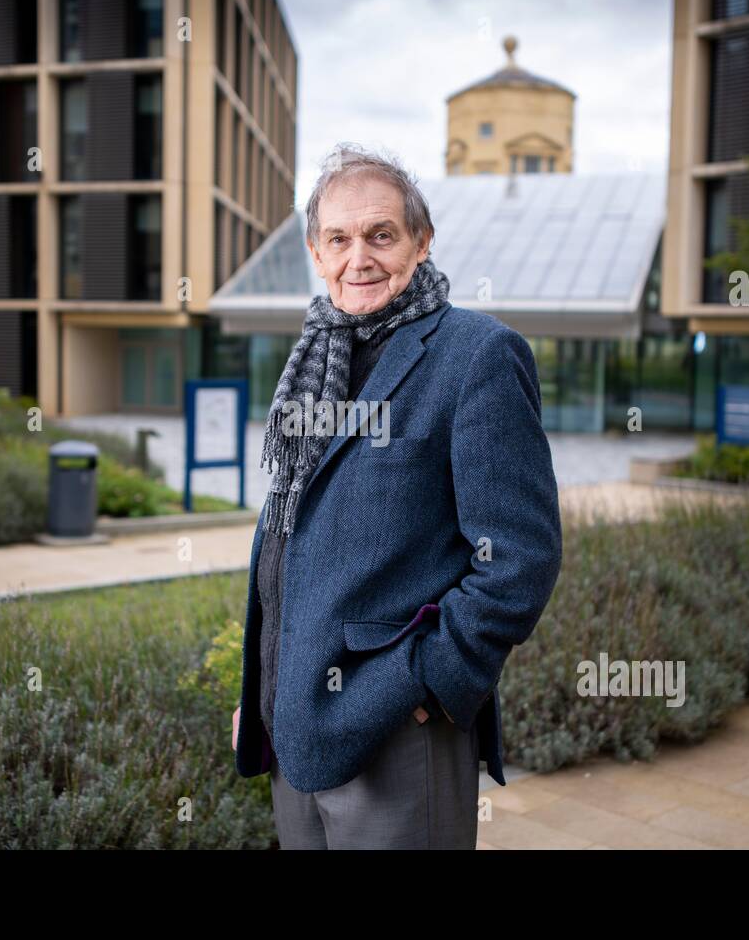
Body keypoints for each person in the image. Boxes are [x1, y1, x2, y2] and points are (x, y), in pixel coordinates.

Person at [232, 142, 562, 849]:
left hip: (396, 732)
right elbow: (290, 539)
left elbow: (518, 561)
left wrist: (426, 680)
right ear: (317, 254)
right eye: (339, 239)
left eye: (381, 234)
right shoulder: (317, 360)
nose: (360, 258)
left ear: (421, 240)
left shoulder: (477, 354)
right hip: (293, 729)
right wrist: (261, 686)